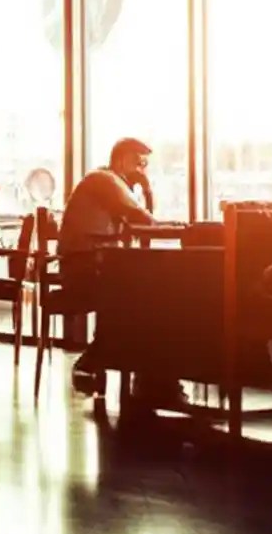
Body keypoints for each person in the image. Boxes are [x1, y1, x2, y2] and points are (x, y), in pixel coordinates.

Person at [55, 138, 180, 403]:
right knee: (143, 296)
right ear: (122, 158)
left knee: (146, 293)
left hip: (96, 263)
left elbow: (139, 223)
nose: (142, 169)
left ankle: (116, 365)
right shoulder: (105, 180)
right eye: (139, 161)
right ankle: (141, 375)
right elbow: (140, 218)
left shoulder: (114, 184)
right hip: (84, 265)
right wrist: (147, 193)